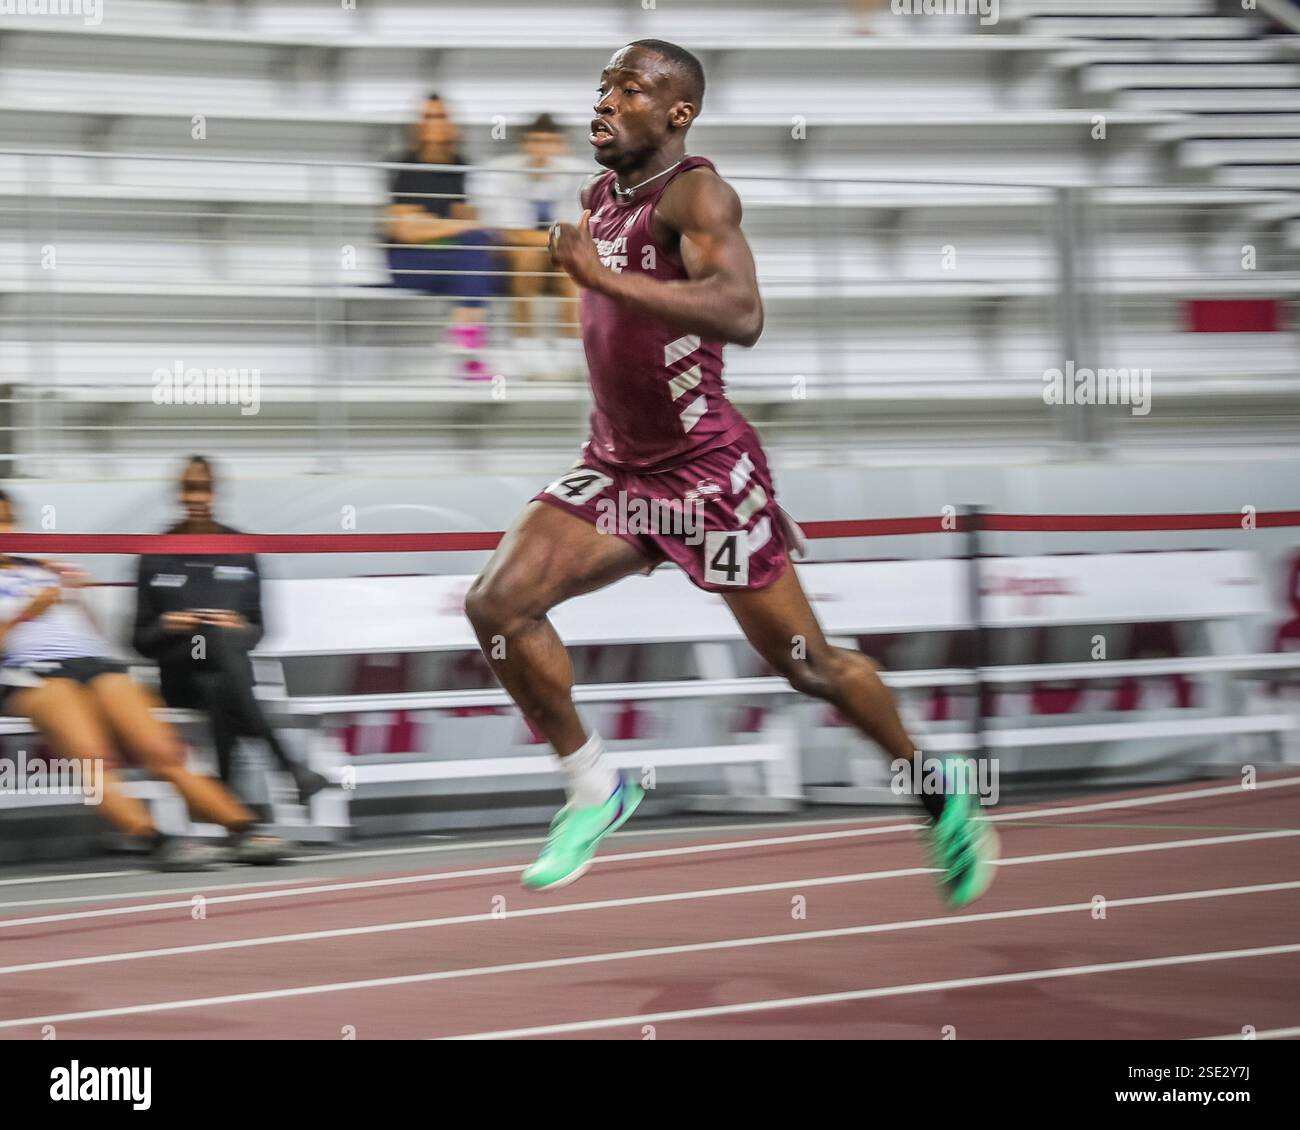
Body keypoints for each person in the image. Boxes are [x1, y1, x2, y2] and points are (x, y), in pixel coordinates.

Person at [465, 39, 998, 903]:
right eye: (601, 88)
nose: (602, 103)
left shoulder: (698, 192)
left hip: (706, 476)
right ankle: (593, 787)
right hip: (616, 467)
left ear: (678, 113)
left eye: (627, 91)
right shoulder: (597, 195)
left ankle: (937, 791)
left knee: (809, 666)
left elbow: (740, 313)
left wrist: (599, 277)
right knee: (496, 602)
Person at [0, 489, 287, 871]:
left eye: (7, 520)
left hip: (91, 664)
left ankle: (243, 830)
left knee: (166, 752)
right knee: (94, 759)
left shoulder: (41, 568)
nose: (4, 529)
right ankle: (153, 839)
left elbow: (90, 634)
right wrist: (25, 614)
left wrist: (80, 597)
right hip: (28, 672)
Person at [133, 456, 327, 811]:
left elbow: (260, 629)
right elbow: (139, 640)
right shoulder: (155, 553)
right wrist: (169, 624)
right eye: (190, 489)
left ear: (216, 493)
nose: (197, 498)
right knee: (209, 646)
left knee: (218, 678)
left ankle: (226, 802)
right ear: (178, 494)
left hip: (225, 672)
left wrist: (239, 627)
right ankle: (288, 767)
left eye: (203, 489)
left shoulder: (241, 549)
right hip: (182, 666)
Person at [385, 92, 499, 381]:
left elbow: (467, 220)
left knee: (478, 246)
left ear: (451, 125)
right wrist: (453, 227)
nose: (434, 123)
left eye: (440, 116)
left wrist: (432, 225)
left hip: (449, 257)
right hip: (408, 262)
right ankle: (470, 351)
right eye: (428, 116)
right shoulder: (404, 167)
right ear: (418, 125)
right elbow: (404, 231)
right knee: (475, 245)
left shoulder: (460, 166)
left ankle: (466, 343)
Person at [473, 113, 588, 373]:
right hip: (514, 255)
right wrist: (554, 239)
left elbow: (577, 232)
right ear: (525, 144)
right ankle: (526, 342)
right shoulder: (506, 172)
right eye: (536, 141)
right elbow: (511, 234)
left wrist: (556, 240)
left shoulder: (577, 174)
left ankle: (569, 345)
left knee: (568, 263)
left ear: (561, 146)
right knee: (527, 255)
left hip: (557, 254)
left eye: (549, 142)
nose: (542, 150)